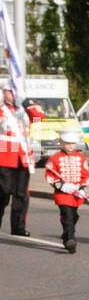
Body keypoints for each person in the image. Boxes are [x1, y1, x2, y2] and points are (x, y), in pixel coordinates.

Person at [45, 129, 89, 252]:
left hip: (76, 194)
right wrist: (60, 185)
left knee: (74, 216)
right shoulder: (54, 158)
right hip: (62, 194)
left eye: (73, 143)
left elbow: (85, 175)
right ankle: (71, 239)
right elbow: (49, 176)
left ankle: (66, 235)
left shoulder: (81, 158)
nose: (70, 146)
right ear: (61, 142)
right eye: (67, 143)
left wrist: (82, 187)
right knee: (67, 216)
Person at [0, 82, 33, 236]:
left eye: (15, 92)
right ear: (4, 93)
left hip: (23, 158)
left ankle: (18, 228)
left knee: (21, 195)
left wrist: (27, 104)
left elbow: (40, 117)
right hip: (5, 158)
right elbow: (4, 127)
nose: (13, 95)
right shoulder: (2, 110)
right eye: (10, 91)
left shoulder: (25, 111)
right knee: (3, 193)